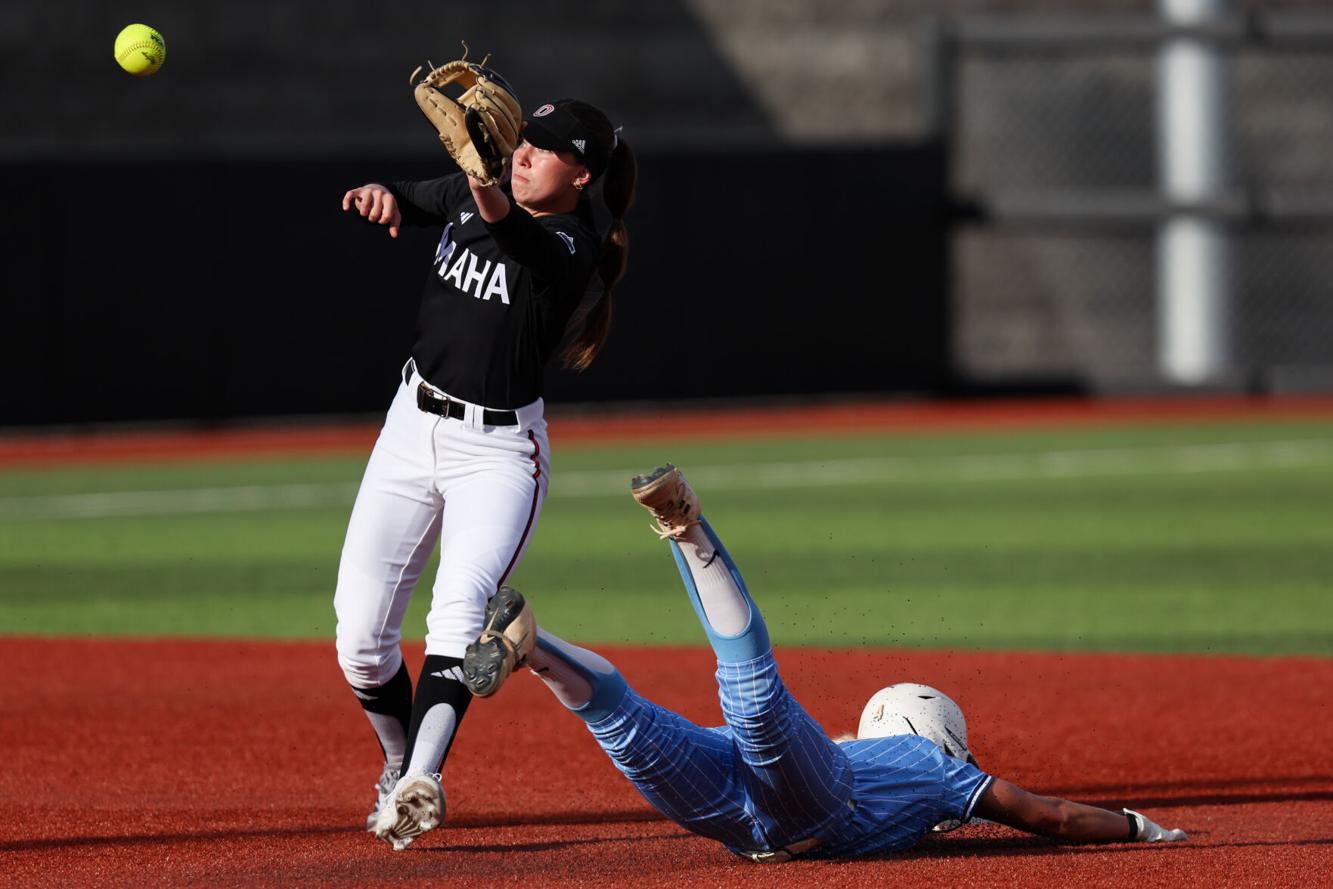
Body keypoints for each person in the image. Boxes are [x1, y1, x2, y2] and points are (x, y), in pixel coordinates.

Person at [458, 465, 1189, 861]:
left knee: (637, 721)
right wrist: (1140, 828)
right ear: (939, 734)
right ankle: (683, 527)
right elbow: (1047, 815)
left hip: (747, 813)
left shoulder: (876, 751)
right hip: (787, 813)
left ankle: (535, 643)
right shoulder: (937, 770)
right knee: (729, 700)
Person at [334, 96, 637, 851]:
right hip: (410, 429)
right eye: (522, 141)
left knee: (458, 613)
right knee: (359, 640)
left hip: (498, 457)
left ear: (582, 175)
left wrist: (480, 179)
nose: (524, 153)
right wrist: (385, 196)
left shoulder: (573, 243)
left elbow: (511, 230)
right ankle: (398, 757)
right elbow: (417, 197)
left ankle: (421, 780)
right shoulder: (479, 191)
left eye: (544, 148)